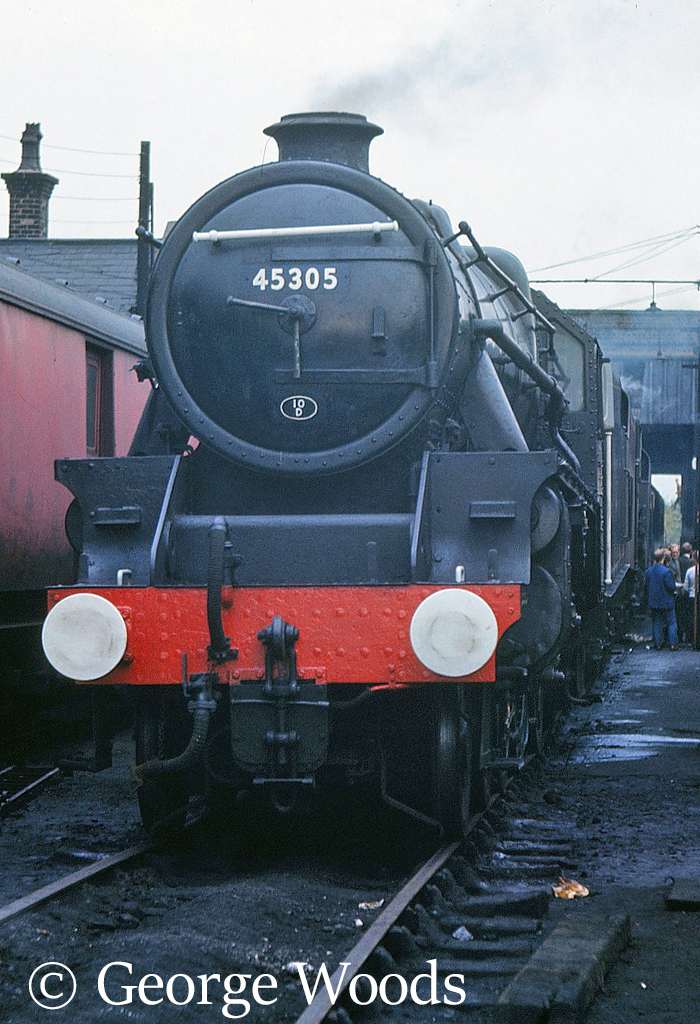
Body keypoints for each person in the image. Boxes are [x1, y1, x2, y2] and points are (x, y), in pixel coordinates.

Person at [645, 549, 678, 650]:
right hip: (666, 601)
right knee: (671, 622)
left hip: (654, 601)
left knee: (656, 623)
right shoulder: (666, 571)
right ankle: (673, 644)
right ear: (663, 558)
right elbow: (670, 586)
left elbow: (646, 587)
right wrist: (674, 591)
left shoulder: (648, 571)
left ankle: (658, 644)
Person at [683, 552, 698, 648]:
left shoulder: (690, 571)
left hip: (692, 596)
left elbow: (686, 587)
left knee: (692, 617)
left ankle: (692, 638)